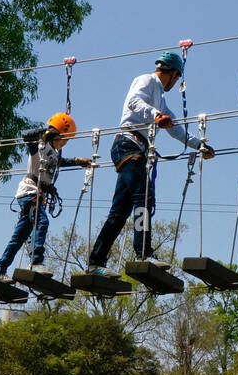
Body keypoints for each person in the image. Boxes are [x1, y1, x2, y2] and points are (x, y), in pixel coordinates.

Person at [87, 52, 213, 276]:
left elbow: (175, 128)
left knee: (120, 212)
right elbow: (134, 102)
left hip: (136, 148)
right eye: (176, 79)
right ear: (174, 74)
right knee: (144, 196)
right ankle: (143, 252)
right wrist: (155, 115)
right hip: (128, 144)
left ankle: (95, 263)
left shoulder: (161, 100)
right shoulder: (147, 80)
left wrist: (198, 146)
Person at [0, 113, 91, 279]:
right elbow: (26, 135)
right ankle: (36, 262)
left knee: (20, 236)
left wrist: (77, 161)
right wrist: (46, 132)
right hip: (29, 192)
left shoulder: (53, 152)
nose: (65, 144)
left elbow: (59, 162)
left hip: (38, 194)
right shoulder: (39, 146)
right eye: (64, 139)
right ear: (57, 135)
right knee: (42, 221)